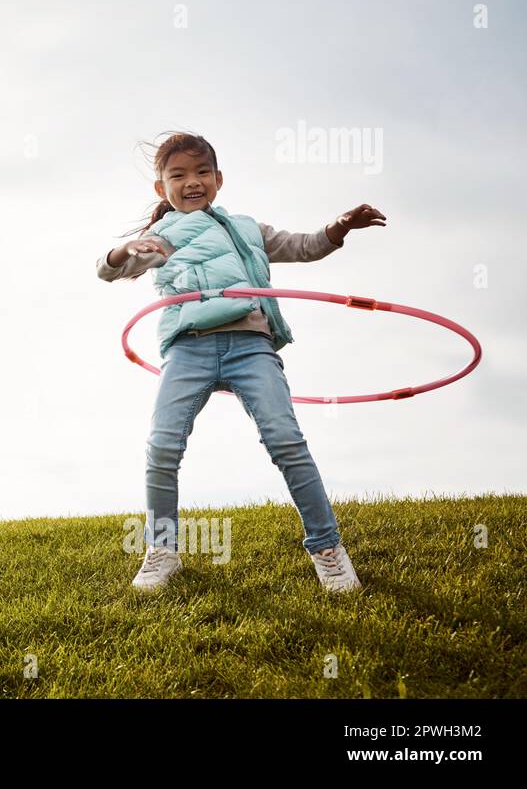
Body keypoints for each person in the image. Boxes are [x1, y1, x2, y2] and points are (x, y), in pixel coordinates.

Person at [97, 131, 387, 594]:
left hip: (251, 344)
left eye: (201, 172)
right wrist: (123, 252)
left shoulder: (248, 228)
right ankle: (162, 550)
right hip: (188, 346)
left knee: (286, 440)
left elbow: (304, 245)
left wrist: (339, 226)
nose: (192, 182)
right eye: (178, 175)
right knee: (163, 447)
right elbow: (110, 269)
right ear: (161, 189)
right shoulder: (163, 237)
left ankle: (327, 549)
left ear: (218, 179)